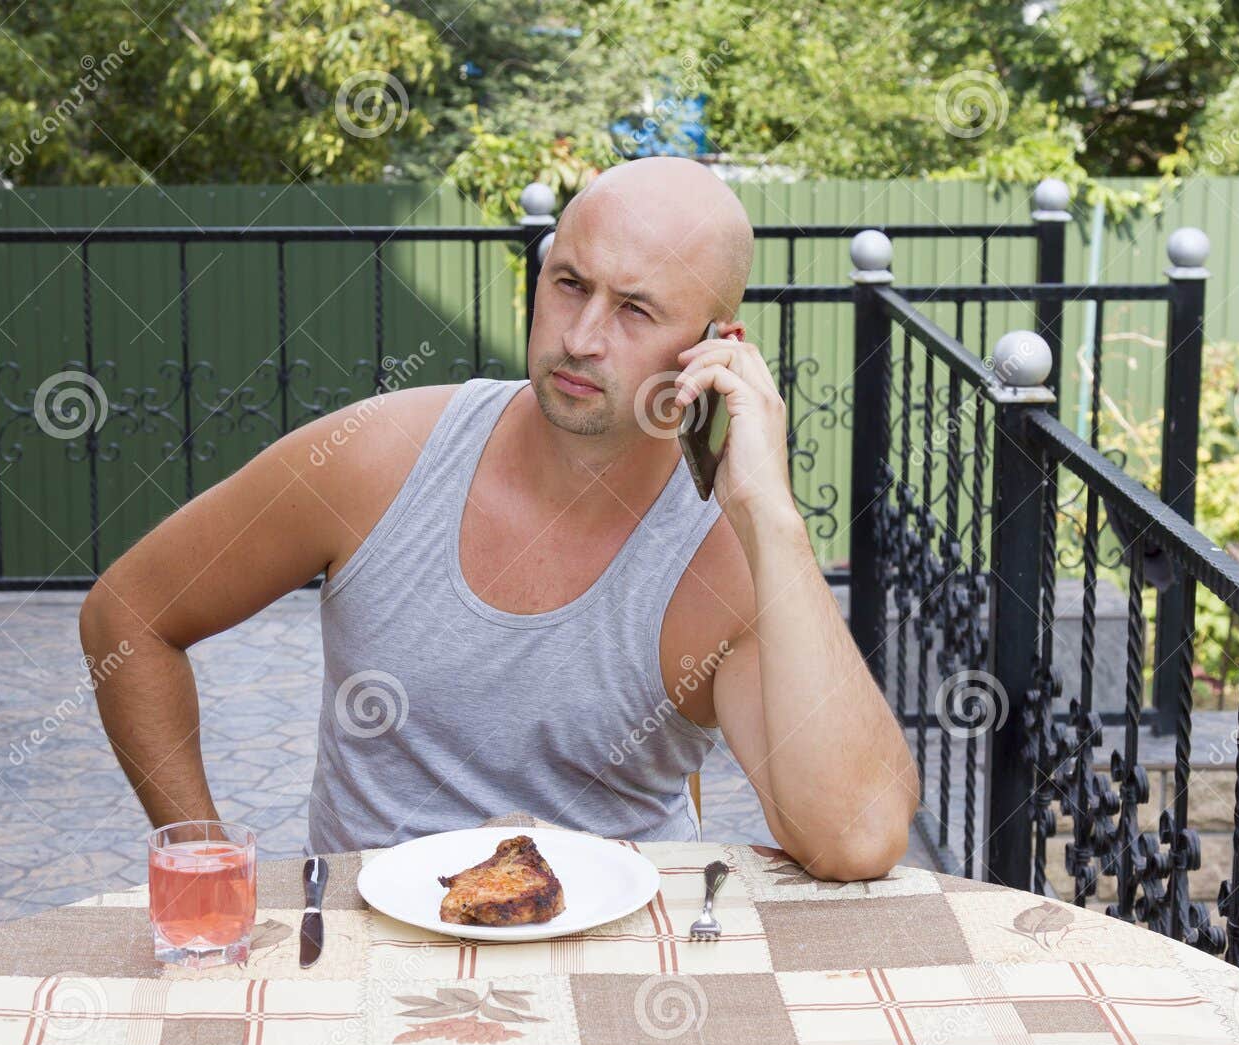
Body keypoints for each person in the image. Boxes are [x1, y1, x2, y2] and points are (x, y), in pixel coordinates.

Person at [79, 156, 918, 881]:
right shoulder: (377, 458)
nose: (581, 336)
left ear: (712, 347)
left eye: (635, 310)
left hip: (617, 977)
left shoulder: (723, 554)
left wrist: (771, 515)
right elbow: (131, 614)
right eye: (569, 284)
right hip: (368, 960)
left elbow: (855, 837)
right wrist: (203, 855)